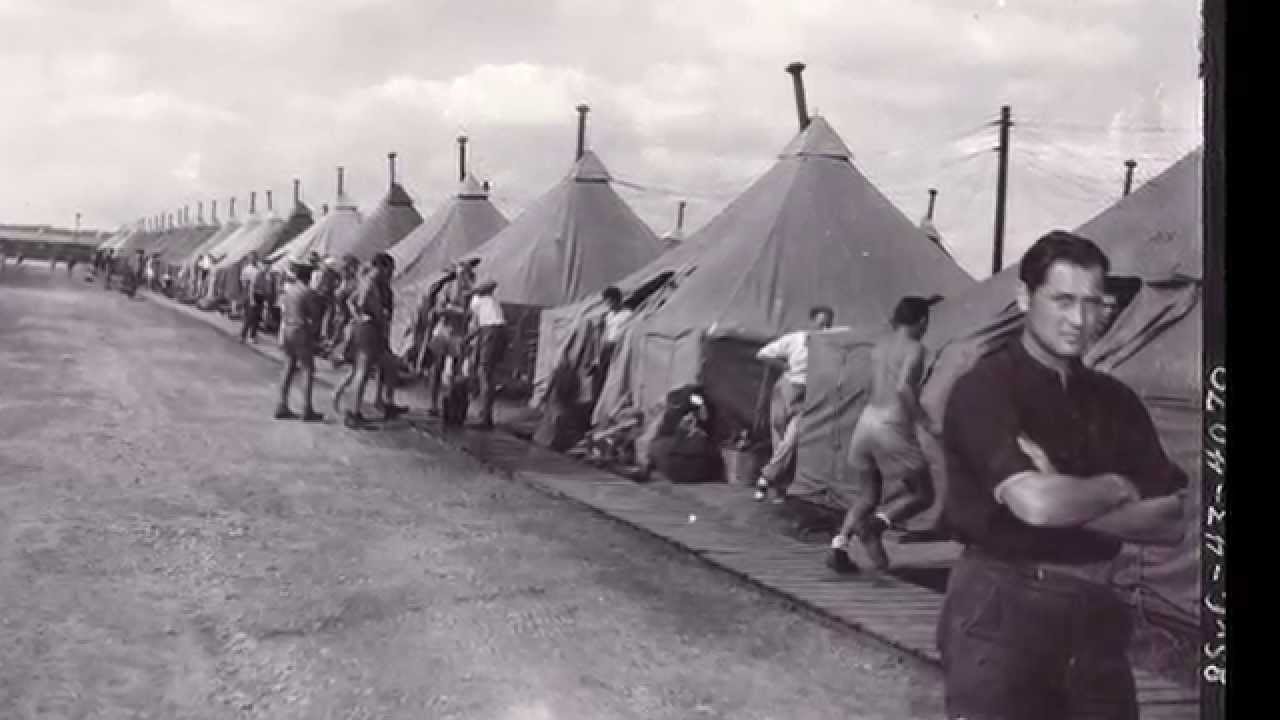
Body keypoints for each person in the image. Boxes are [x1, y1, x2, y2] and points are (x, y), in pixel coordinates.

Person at [936, 230, 1187, 719]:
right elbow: (1037, 504)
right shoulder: (985, 388)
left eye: (1094, 304)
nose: (1080, 320)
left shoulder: (1115, 401)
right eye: (1063, 300)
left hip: (1096, 609)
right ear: (1025, 297)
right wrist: (1115, 488)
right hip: (1002, 604)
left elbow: (1171, 520)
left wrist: (1066, 497)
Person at [828, 295, 943, 574]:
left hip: (866, 421)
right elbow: (904, 388)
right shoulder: (915, 349)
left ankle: (839, 546)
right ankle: (876, 526)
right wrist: (926, 423)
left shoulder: (880, 347)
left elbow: (872, 384)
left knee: (867, 494)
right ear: (922, 321)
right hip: (891, 425)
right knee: (923, 494)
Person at [752, 306, 835, 502]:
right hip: (786, 388)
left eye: (828, 325)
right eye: (821, 324)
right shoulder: (795, 339)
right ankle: (777, 490)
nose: (823, 329)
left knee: (791, 439)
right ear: (811, 322)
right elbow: (762, 354)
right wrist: (783, 366)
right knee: (779, 439)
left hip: (809, 393)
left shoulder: (831, 346)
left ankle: (766, 477)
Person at [333, 253, 398, 426]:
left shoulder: (364, 281)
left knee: (387, 364)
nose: (391, 273)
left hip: (363, 327)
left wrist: (357, 316)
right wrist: (375, 317)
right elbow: (372, 310)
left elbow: (350, 302)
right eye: (390, 269)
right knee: (362, 371)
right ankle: (353, 412)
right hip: (369, 330)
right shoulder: (371, 285)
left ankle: (378, 403)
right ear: (382, 267)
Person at [274, 263, 326, 422]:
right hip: (301, 329)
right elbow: (315, 315)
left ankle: (281, 404)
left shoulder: (289, 291)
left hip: (287, 328)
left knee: (288, 366)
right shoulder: (308, 292)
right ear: (309, 276)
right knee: (307, 369)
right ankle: (306, 408)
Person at [466, 279, 508, 429]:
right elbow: (477, 326)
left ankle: (485, 417)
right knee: (485, 372)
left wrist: (472, 290)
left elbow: (493, 283)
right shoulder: (474, 302)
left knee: (485, 373)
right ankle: (485, 413)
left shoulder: (480, 295)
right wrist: (467, 339)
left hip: (493, 329)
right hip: (491, 330)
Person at [590, 286, 632, 406]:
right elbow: (605, 334)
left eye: (609, 301)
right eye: (606, 301)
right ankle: (597, 403)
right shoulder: (609, 316)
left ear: (616, 300)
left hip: (619, 347)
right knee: (601, 376)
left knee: (614, 376)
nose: (607, 304)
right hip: (607, 347)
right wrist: (598, 354)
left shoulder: (627, 314)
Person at [239, 253, 271, 343]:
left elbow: (267, 289)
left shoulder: (267, 276)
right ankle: (243, 335)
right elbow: (252, 287)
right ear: (263, 265)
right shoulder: (258, 273)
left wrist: (266, 300)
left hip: (261, 297)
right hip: (254, 296)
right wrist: (252, 299)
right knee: (250, 317)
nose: (267, 267)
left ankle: (252, 336)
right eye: (266, 265)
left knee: (257, 318)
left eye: (269, 266)